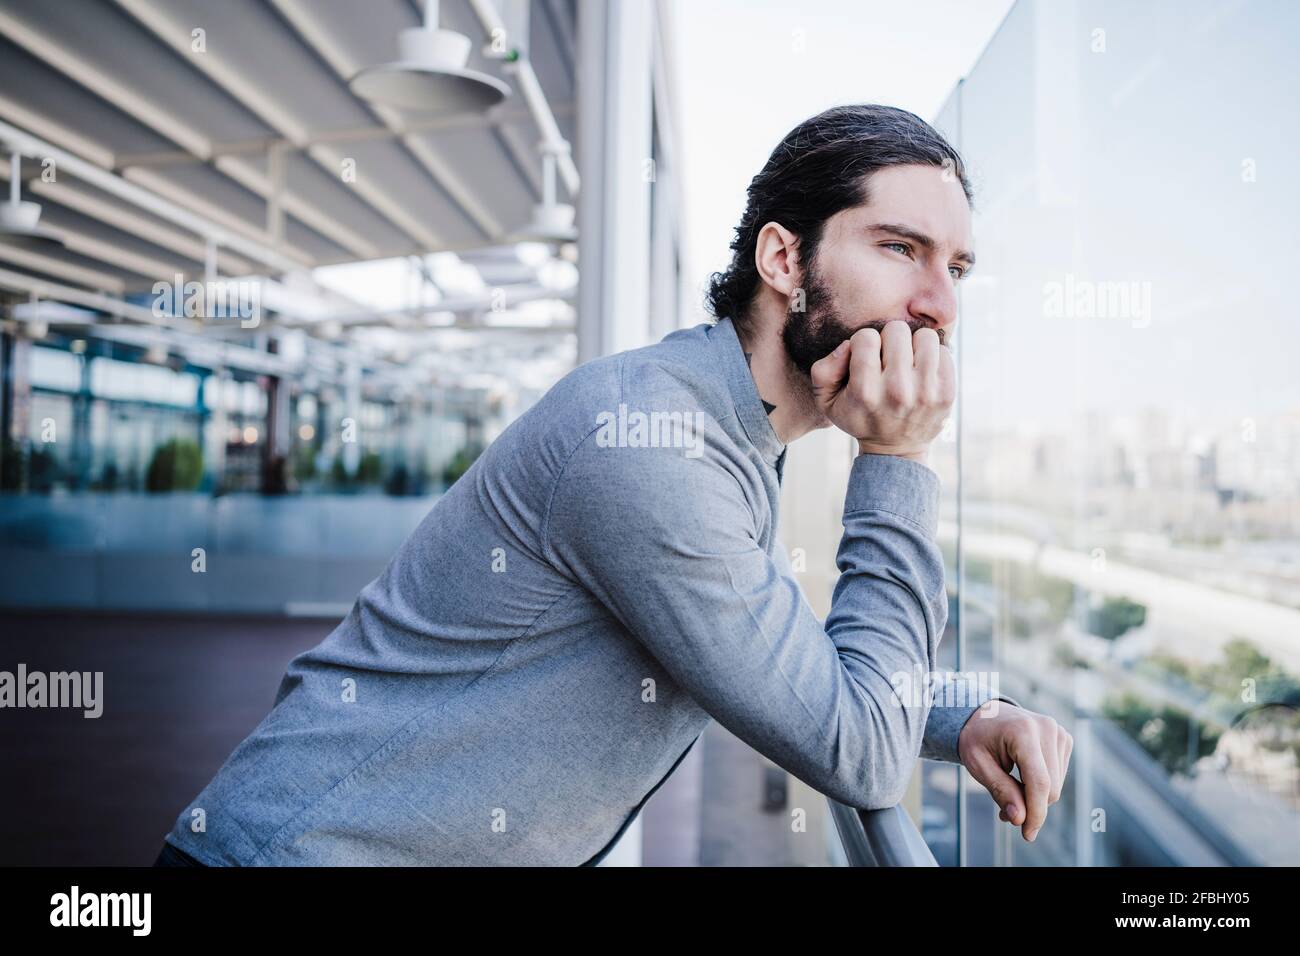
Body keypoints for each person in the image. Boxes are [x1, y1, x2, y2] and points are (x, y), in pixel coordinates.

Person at [156, 104, 1070, 866]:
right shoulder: (652, 443)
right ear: (784, 261)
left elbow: (768, 645)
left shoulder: (724, 428)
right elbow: (859, 754)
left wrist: (968, 713)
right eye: (901, 248)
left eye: (955, 269)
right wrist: (899, 461)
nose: (941, 306)